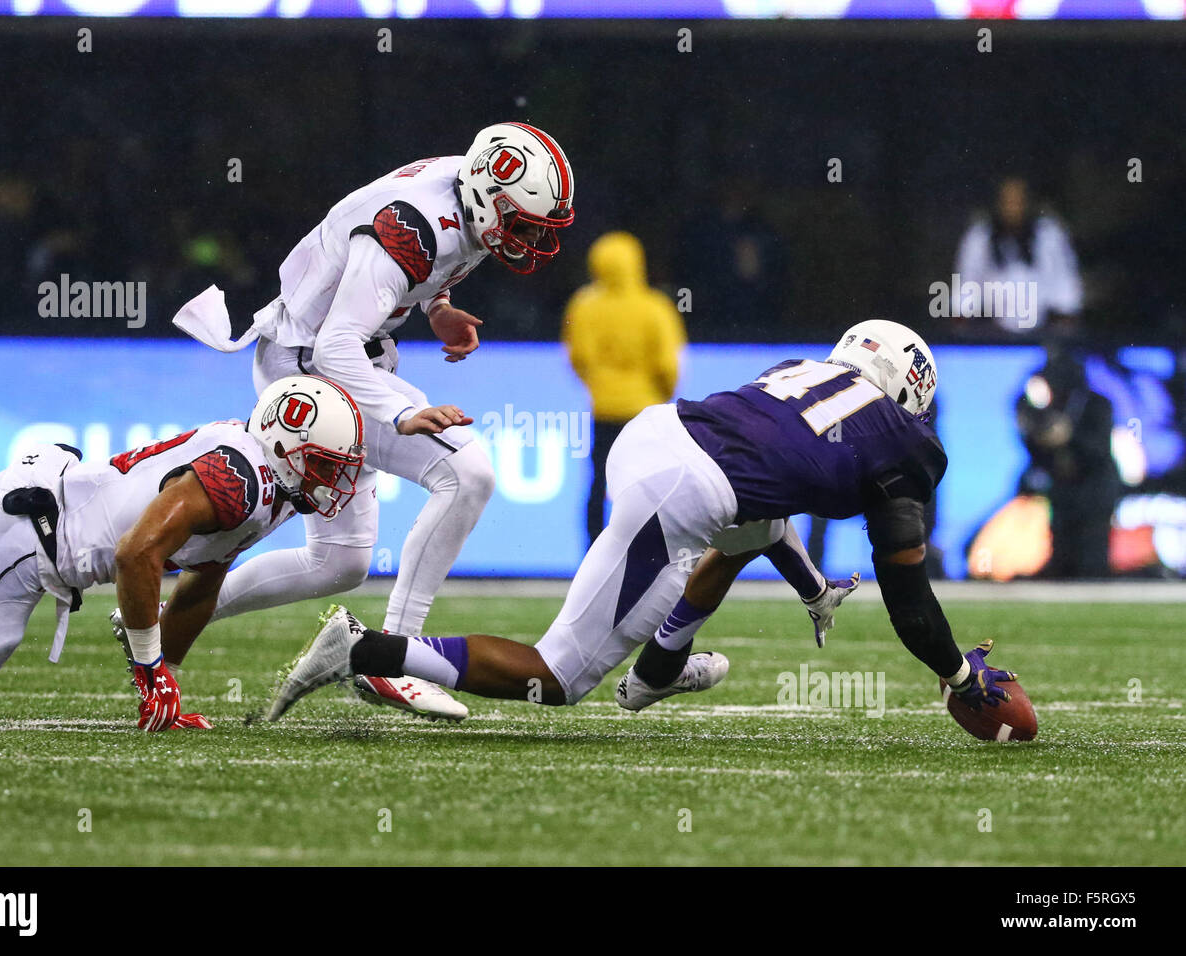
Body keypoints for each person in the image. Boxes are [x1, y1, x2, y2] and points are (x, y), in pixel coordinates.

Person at [265, 320, 1020, 721]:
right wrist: (958, 674)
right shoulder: (905, 442)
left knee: (745, 522)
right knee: (557, 677)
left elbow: (765, 510)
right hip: (683, 489)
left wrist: (812, 586)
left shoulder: (800, 371)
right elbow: (909, 596)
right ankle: (366, 651)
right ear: (912, 387)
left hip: (655, 433)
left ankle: (657, 670)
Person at [172, 122, 575, 722]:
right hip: (314, 365)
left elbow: (428, 267)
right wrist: (405, 411)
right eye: (520, 222)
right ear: (488, 195)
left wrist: (435, 307)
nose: (528, 239)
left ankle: (154, 621)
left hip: (333, 354)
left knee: (339, 563)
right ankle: (390, 659)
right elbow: (339, 344)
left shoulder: (463, 190)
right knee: (467, 474)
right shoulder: (411, 225)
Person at [0, 375, 364, 730]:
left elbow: (205, 578)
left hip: (38, 506)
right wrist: (149, 670)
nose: (333, 480)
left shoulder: (268, 488)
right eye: (323, 463)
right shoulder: (240, 482)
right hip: (32, 533)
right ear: (286, 446)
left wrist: (163, 680)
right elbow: (136, 554)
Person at [563, 231, 686, 544]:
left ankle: (594, 552)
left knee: (597, 486)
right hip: (646, 412)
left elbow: (579, 357)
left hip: (604, 410)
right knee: (650, 486)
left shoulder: (585, 305)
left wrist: (601, 386)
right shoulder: (655, 307)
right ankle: (648, 551)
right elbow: (667, 366)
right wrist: (660, 394)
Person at [1016, 346, 1120, 578]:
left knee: (1091, 551)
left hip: (1095, 487)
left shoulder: (1097, 404)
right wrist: (1036, 433)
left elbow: (1099, 450)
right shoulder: (1046, 407)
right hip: (1063, 486)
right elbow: (1035, 447)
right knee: (1061, 546)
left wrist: (1069, 436)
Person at [953, 176, 1082, 338]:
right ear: (998, 204)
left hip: (1044, 333)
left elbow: (1066, 287)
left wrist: (1064, 326)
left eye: (1018, 202)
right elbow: (965, 289)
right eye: (1008, 202)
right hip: (991, 335)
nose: (1013, 208)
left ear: (1028, 203)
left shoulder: (1050, 235)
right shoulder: (979, 237)